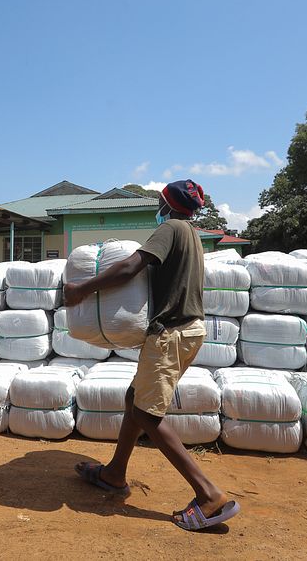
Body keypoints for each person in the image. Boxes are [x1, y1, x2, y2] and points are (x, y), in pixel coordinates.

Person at [63, 179, 240, 531]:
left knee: (146, 412)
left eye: (159, 202)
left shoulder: (171, 228)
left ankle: (208, 495)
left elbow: (131, 267)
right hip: (189, 330)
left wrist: (81, 290)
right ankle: (115, 473)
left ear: (167, 203)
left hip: (171, 333)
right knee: (135, 399)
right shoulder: (190, 232)